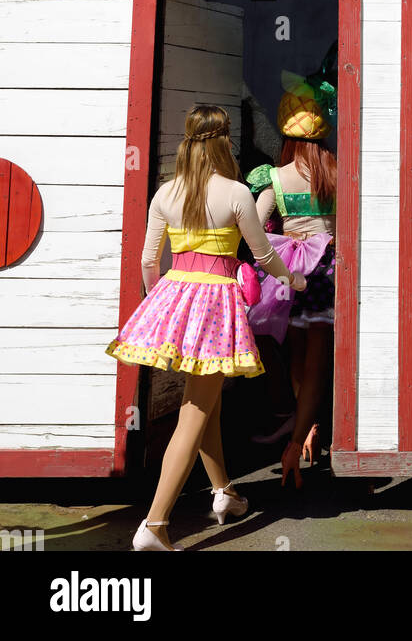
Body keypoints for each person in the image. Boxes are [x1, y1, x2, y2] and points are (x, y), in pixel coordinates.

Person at [106, 104, 305, 552]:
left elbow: (146, 262)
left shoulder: (165, 192)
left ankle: (224, 494)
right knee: (194, 413)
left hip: (174, 299)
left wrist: (163, 305)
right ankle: (154, 525)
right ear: (223, 141)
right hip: (215, 305)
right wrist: (293, 277)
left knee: (206, 404)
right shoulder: (235, 192)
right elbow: (263, 256)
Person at [246, 70, 337, 489]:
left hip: (289, 272)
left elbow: (258, 223)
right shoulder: (338, 171)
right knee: (320, 358)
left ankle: (303, 428)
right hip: (328, 270)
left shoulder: (274, 178)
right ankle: (311, 428)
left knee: (297, 357)